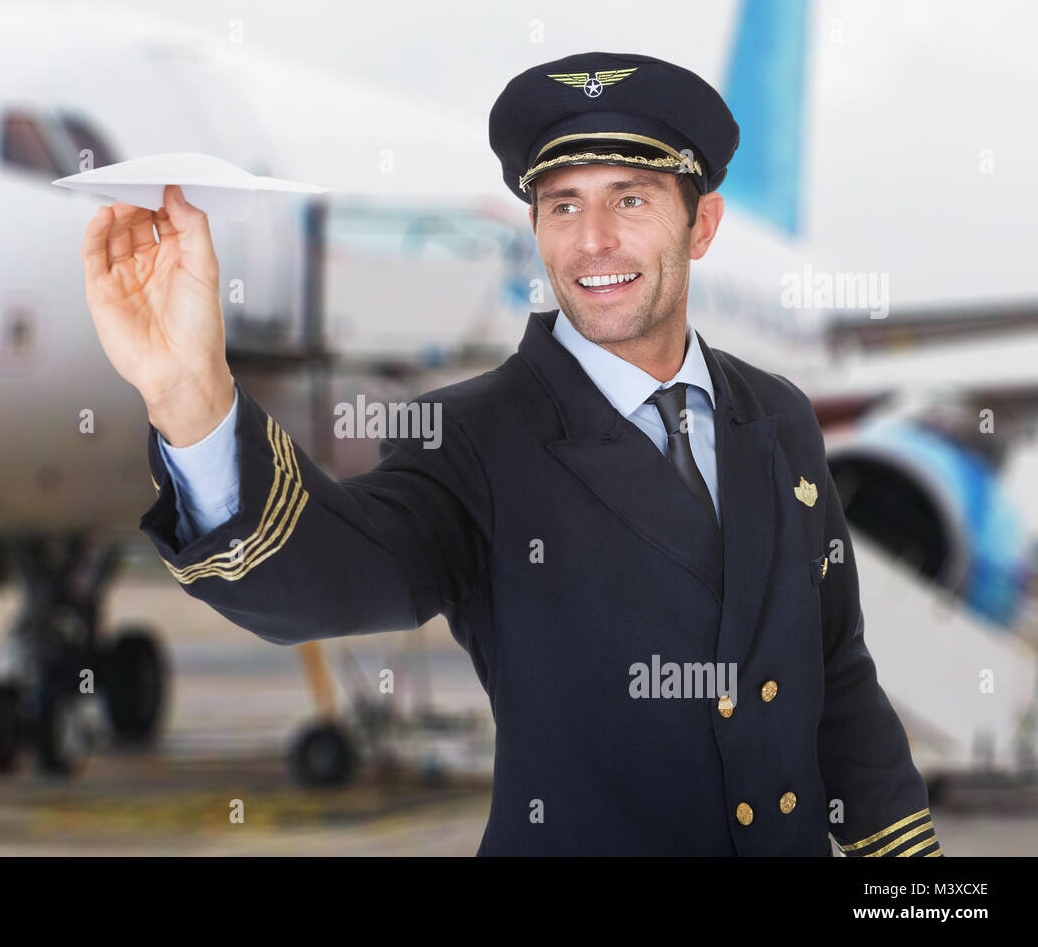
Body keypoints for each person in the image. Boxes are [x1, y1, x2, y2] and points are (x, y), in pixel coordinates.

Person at [79, 51, 941, 857]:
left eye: (630, 199)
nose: (593, 240)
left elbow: (837, 677)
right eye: (564, 204)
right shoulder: (474, 437)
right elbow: (320, 577)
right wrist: (191, 396)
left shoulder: (778, 418)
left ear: (702, 223)